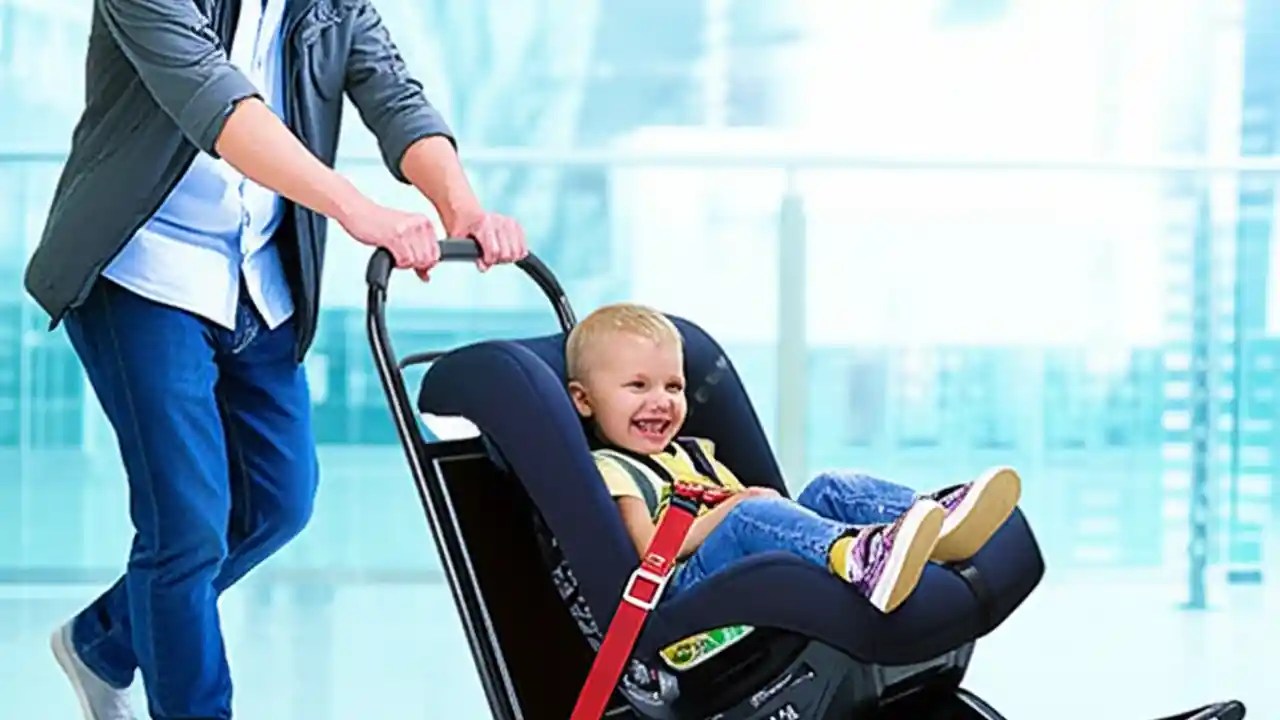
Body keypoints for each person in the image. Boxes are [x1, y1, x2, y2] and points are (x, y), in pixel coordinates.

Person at [24, 2, 526, 718]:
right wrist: (357, 210)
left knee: (278, 501)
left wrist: (461, 206)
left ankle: (104, 641)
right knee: (187, 526)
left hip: (259, 275)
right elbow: (220, 106)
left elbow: (391, 93)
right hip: (141, 269)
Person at [564, 303, 1022, 615]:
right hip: (689, 592)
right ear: (584, 401)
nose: (661, 402)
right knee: (751, 514)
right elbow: (650, 551)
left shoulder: (693, 454)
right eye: (638, 387)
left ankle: (935, 523)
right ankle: (858, 558)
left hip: (737, 557)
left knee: (829, 487)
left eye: (674, 387)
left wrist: (744, 509)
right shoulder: (613, 468)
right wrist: (734, 511)